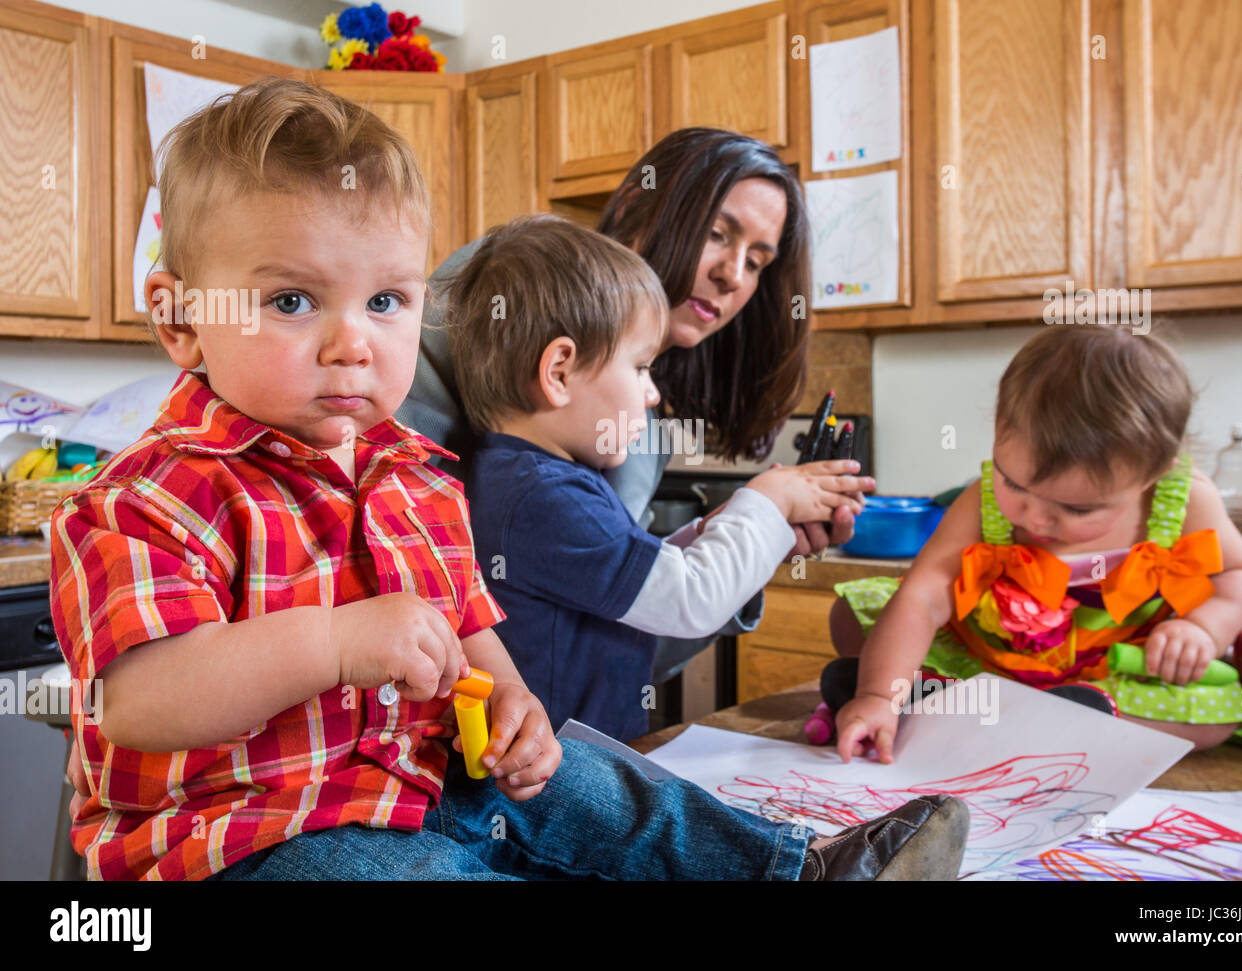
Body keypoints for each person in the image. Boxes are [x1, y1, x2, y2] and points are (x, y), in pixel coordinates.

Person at [49, 77, 970, 881]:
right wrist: (334, 642)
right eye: (291, 300)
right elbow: (136, 699)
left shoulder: (417, 476)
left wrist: (518, 704)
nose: (352, 342)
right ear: (178, 320)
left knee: (596, 783)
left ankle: (793, 869)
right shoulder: (147, 496)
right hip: (249, 838)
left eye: (386, 302)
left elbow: (470, 624)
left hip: (414, 785)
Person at [396, 128, 856, 683]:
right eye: (715, 233)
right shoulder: (514, 291)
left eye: (757, 262)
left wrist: (741, 545)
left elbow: (613, 615)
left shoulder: (641, 423)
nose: (733, 275)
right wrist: (745, 528)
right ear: (640, 206)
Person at [446, 215, 871, 741]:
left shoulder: (530, 478)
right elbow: (689, 600)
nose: (652, 395)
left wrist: (716, 530)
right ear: (559, 372)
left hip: (579, 764)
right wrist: (768, 501)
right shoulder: (544, 495)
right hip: (564, 779)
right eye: (642, 367)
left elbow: (630, 575)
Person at [822, 325, 1242, 764]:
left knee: (1217, 718)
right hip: (990, 663)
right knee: (854, 613)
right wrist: (879, 693)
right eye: (1014, 483)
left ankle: (1069, 717)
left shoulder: (1183, 500)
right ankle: (924, 697)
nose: (1034, 518)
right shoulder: (983, 499)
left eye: (1076, 509)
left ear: (1153, 474)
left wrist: (1203, 628)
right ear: (998, 430)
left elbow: (1240, 574)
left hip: (1113, 673)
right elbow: (923, 595)